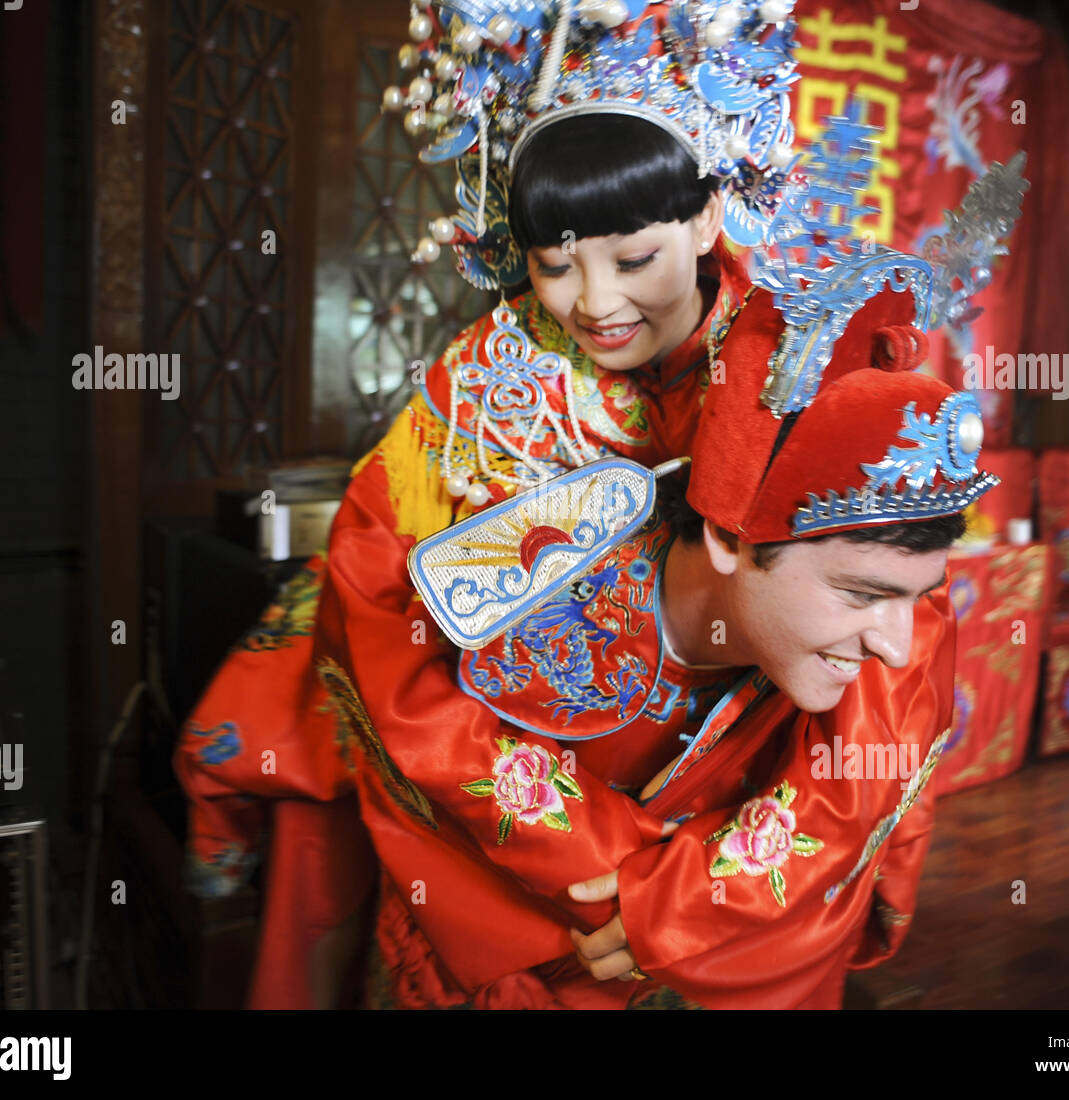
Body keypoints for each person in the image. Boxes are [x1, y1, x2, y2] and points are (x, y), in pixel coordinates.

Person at [175, 0, 800, 1008]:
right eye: (555, 264)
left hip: (722, 788)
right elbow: (380, 598)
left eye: (633, 258)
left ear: (705, 219)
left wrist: (689, 872)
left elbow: (866, 619)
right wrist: (568, 834)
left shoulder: (787, 366)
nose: (594, 303)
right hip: (495, 779)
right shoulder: (486, 378)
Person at [347, 269, 999, 1008]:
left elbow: (863, 777)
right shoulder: (548, 565)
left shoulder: (867, 598)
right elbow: (421, 718)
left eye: (920, 594)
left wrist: (695, 903)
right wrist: (622, 891)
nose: (901, 648)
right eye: (862, 595)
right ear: (727, 535)